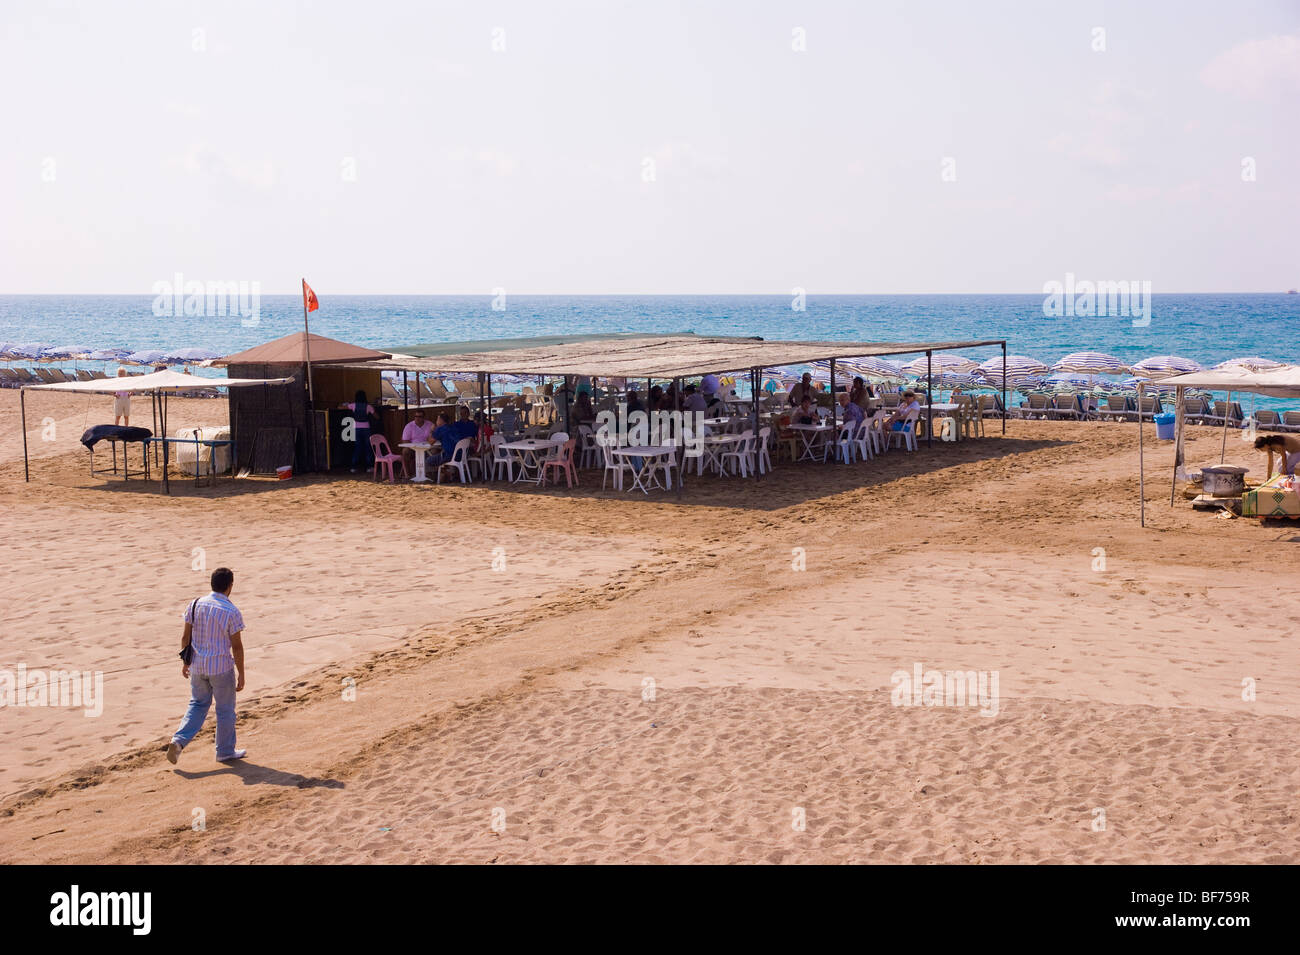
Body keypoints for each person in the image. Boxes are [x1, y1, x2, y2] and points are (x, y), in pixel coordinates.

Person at [167, 567, 246, 764]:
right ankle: (225, 751)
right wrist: (241, 673)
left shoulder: (194, 605)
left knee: (197, 704)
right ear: (230, 586)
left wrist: (186, 663)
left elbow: (185, 637)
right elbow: (237, 646)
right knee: (225, 709)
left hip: (197, 666)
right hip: (220, 667)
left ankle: (178, 741)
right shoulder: (231, 611)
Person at [339, 390, 375, 473]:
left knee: (357, 447)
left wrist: (345, 404)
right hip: (366, 428)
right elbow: (376, 415)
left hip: (356, 428)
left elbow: (340, 407)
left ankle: (353, 467)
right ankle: (369, 467)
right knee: (368, 447)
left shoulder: (353, 405)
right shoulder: (368, 406)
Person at [400, 408, 435, 474]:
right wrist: (414, 447)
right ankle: (407, 473)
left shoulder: (430, 425)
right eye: (416, 416)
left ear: (424, 417)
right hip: (413, 448)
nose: (417, 418)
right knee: (405, 451)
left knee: (435, 451)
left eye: (420, 417)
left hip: (428, 448)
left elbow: (435, 437)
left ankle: (431, 473)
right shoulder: (409, 426)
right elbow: (405, 441)